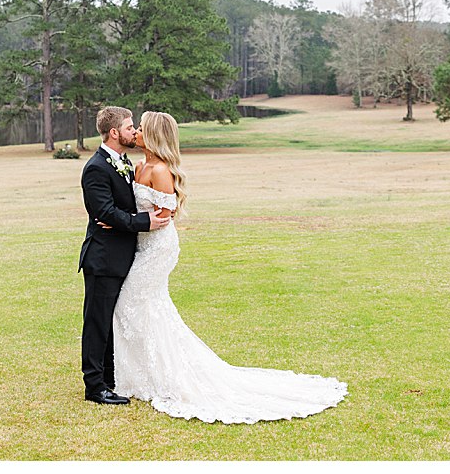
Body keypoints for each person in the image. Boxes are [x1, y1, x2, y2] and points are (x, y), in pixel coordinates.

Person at [102, 110, 348, 423]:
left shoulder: (160, 170)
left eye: (139, 128)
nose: (134, 132)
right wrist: (119, 222)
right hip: (142, 246)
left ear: (151, 135)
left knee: (132, 304)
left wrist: (130, 224)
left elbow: (164, 219)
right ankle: (142, 373)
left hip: (157, 250)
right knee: (145, 307)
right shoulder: (139, 165)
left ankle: (158, 376)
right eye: (132, 128)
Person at [78, 106, 171, 405]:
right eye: (131, 127)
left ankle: (110, 378)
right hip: (103, 257)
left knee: (112, 319)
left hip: (126, 254)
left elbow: (123, 208)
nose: (134, 131)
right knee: (97, 321)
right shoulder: (96, 167)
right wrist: (142, 221)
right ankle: (95, 386)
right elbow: (104, 212)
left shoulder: (124, 162)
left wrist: (127, 217)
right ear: (115, 132)